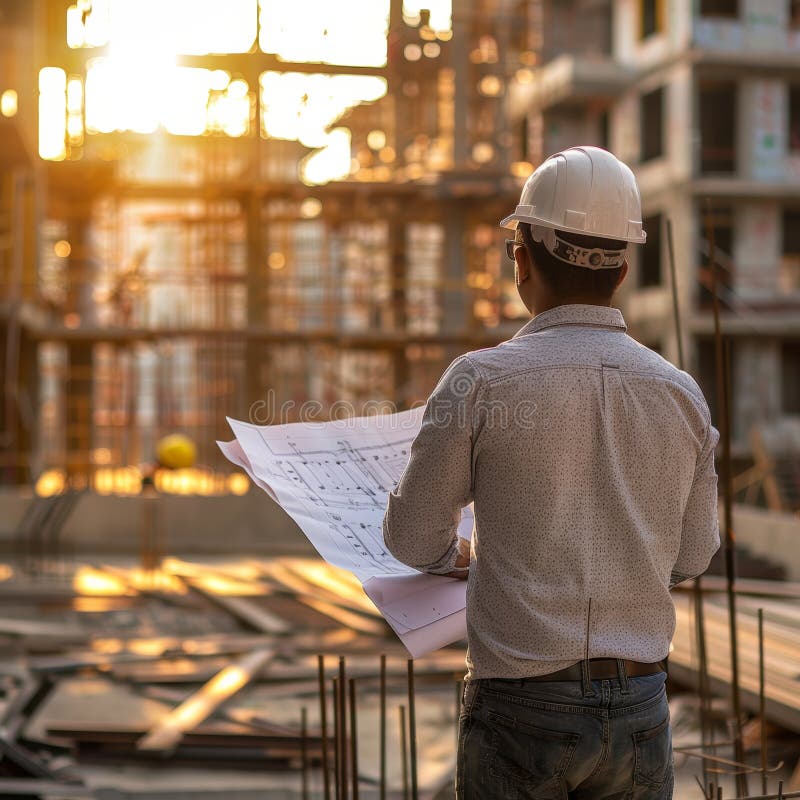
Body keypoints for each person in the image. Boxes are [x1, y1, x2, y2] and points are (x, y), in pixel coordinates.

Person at [382, 146, 720, 799]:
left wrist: (461, 556)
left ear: (522, 260)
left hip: (520, 706)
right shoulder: (681, 394)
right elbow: (694, 555)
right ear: (623, 268)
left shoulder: (480, 382)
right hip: (642, 707)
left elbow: (411, 541)